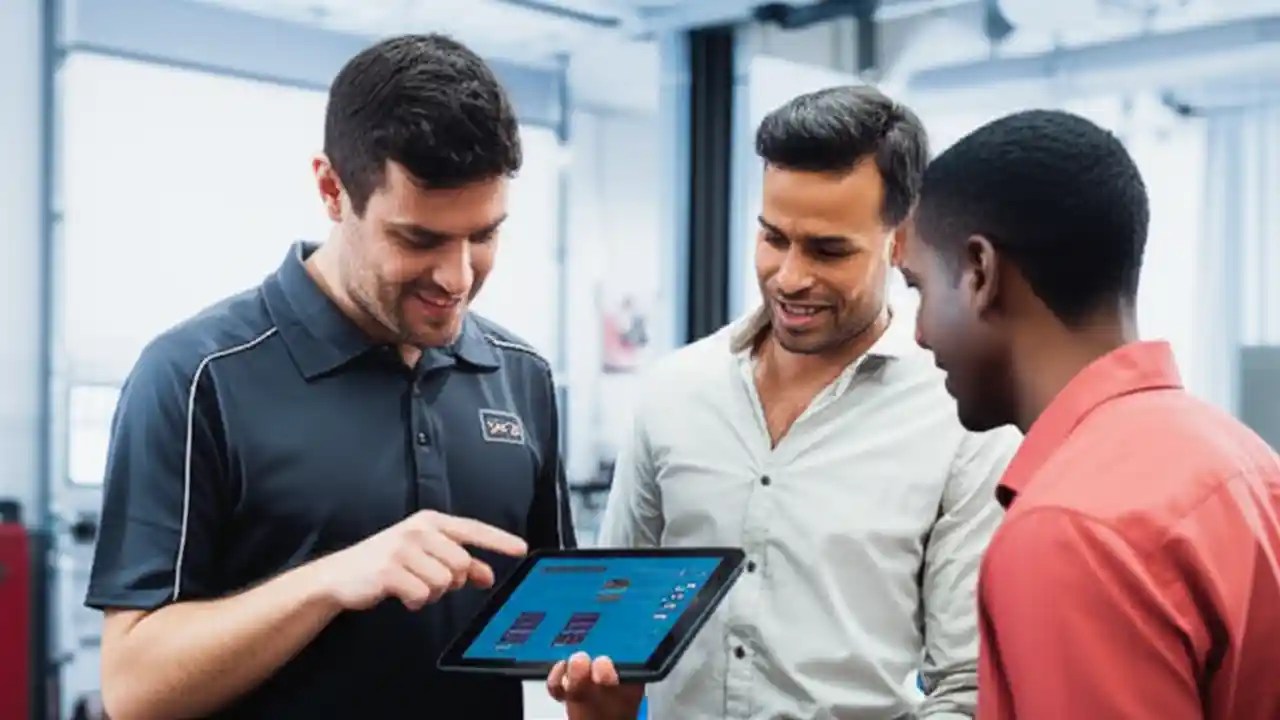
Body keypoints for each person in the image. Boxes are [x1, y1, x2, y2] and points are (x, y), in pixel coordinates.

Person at [86, 34, 575, 719]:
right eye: (419, 239)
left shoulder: (522, 377)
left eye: (484, 235)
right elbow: (135, 687)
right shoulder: (196, 377)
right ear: (331, 189)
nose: (458, 279)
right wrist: (328, 582)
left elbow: (555, 628)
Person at [550, 86, 1020, 719]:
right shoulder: (675, 392)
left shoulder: (959, 421)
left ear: (901, 239)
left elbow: (966, 690)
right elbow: (613, 637)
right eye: (774, 238)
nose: (791, 277)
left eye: (828, 250)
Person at [899, 109, 1280, 719]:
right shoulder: (1244, 460)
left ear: (979, 273)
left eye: (918, 288)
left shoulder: (1066, 529)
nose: (917, 333)